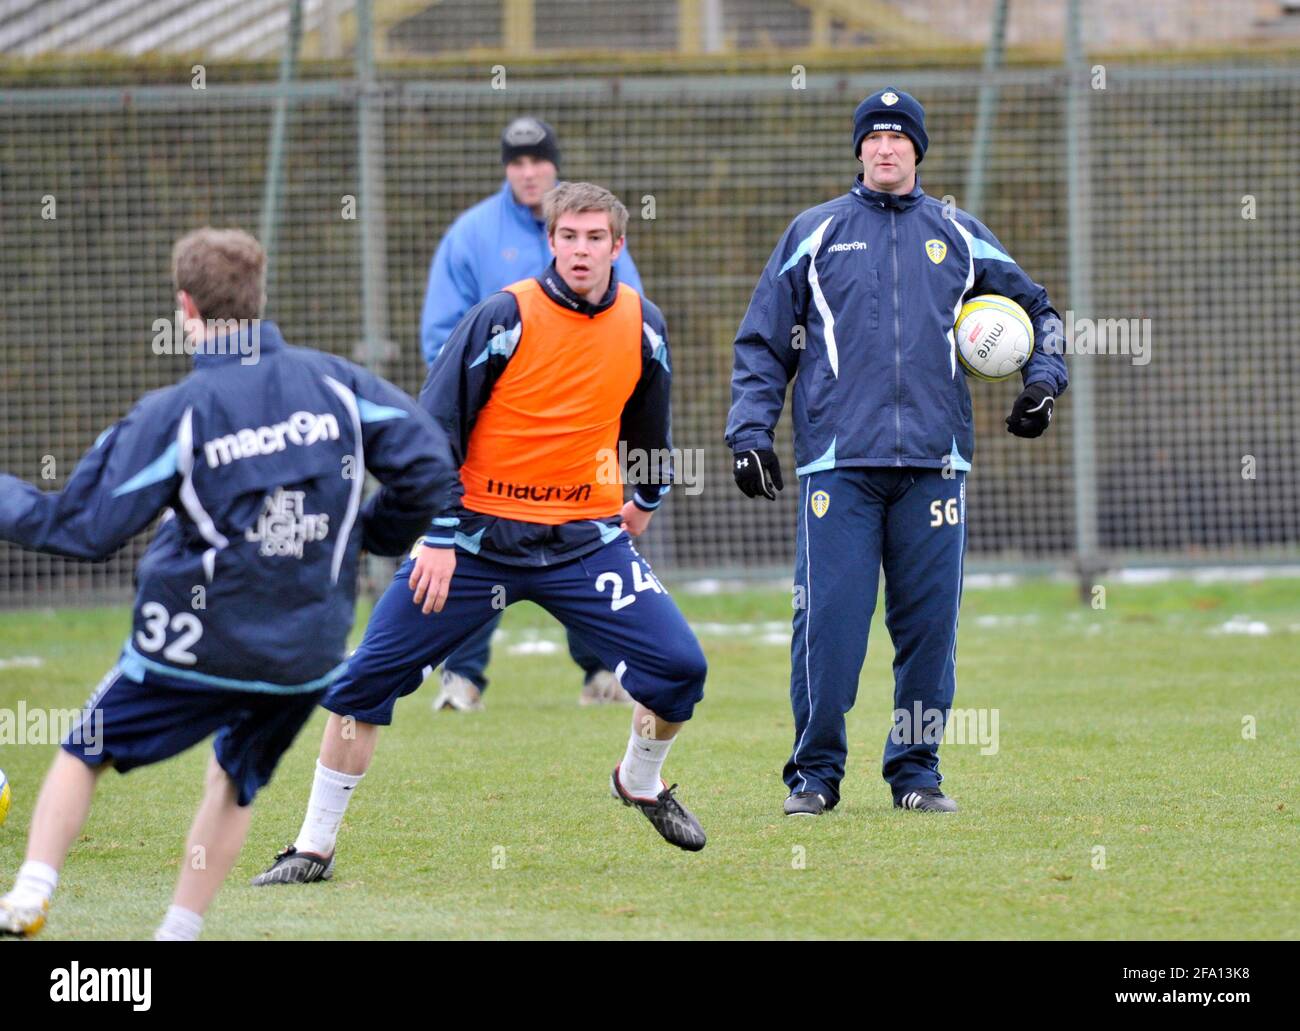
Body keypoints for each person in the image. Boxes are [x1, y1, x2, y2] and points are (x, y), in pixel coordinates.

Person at [0, 228, 455, 939]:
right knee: (235, 781)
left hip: (198, 640)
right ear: (258, 296)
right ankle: (177, 933)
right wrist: (367, 539)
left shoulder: (177, 411)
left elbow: (82, 529)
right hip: (306, 654)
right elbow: (430, 464)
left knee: (83, 746)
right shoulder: (336, 383)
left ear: (186, 306)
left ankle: (30, 891)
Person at [252, 182, 707, 886]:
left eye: (595, 238)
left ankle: (639, 780)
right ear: (550, 241)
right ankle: (312, 846)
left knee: (681, 668)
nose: (581, 250)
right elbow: (431, 430)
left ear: (619, 246)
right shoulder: (502, 316)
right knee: (364, 680)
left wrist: (645, 495)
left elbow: (649, 425)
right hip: (471, 542)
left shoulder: (643, 323)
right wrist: (436, 532)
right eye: (569, 236)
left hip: (584, 542)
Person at [725, 87, 1068, 817]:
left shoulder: (959, 233)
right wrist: (748, 432)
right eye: (873, 137)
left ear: (918, 149)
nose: (886, 148)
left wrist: (1042, 382)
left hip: (935, 465)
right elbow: (761, 342)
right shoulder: (813, 233)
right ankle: (814, 776)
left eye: (899, 137)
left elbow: (1041, 312)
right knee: (830, 625)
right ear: (858, 149)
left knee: (928, 630)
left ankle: (916, 773)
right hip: (838, 467)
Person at [419, 116, 644, 712]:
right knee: (476, 541)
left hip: (580, 437)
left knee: (592, 538)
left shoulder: (592, 229)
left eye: (538, 161)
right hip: (498, 432)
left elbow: (632, 325)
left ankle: (603, 671)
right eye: (516, 163)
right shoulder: (470, 234)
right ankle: (461, 676)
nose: (528, 172)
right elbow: (442, 334)